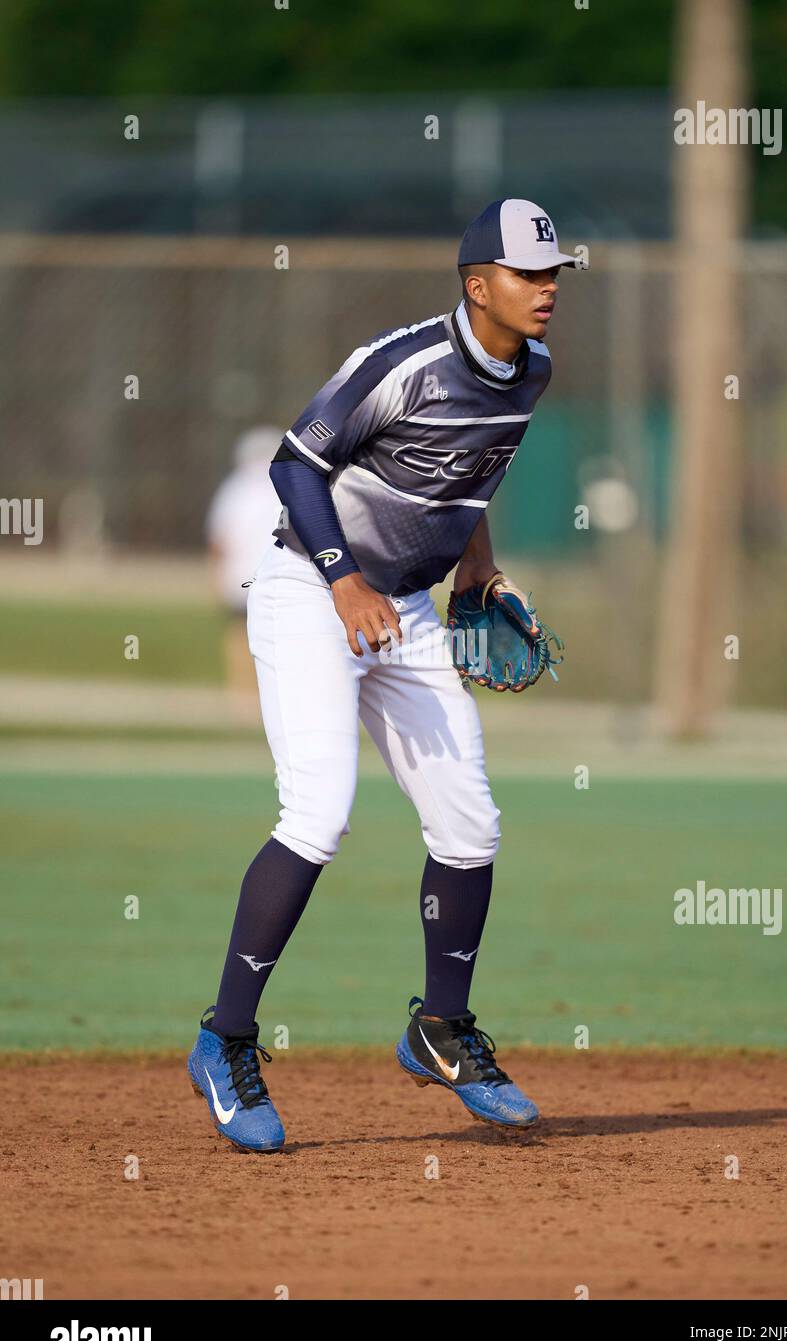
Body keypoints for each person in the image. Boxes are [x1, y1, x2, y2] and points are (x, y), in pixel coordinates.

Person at [188, 199, 574, 1150]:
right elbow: (294, 466)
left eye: (555, 272)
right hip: (308, 585)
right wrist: (343, 580)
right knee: (318, 814)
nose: (548, 288)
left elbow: (470, 473)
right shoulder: (403, 364)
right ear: (477, 284)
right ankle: (224, 1038)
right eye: (528, 274)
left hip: (400, 608)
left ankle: (439, 1029)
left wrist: (476, 564)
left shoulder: (534, 372)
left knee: (470, 822)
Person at [204, 426, 284, 701]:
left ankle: (242, 695)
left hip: (240, 575)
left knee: (240, 635)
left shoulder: (235, 487)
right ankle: (273, 692)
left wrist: (216, 574)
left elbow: (220, 536)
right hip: (280, 573)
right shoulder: (289, 483)